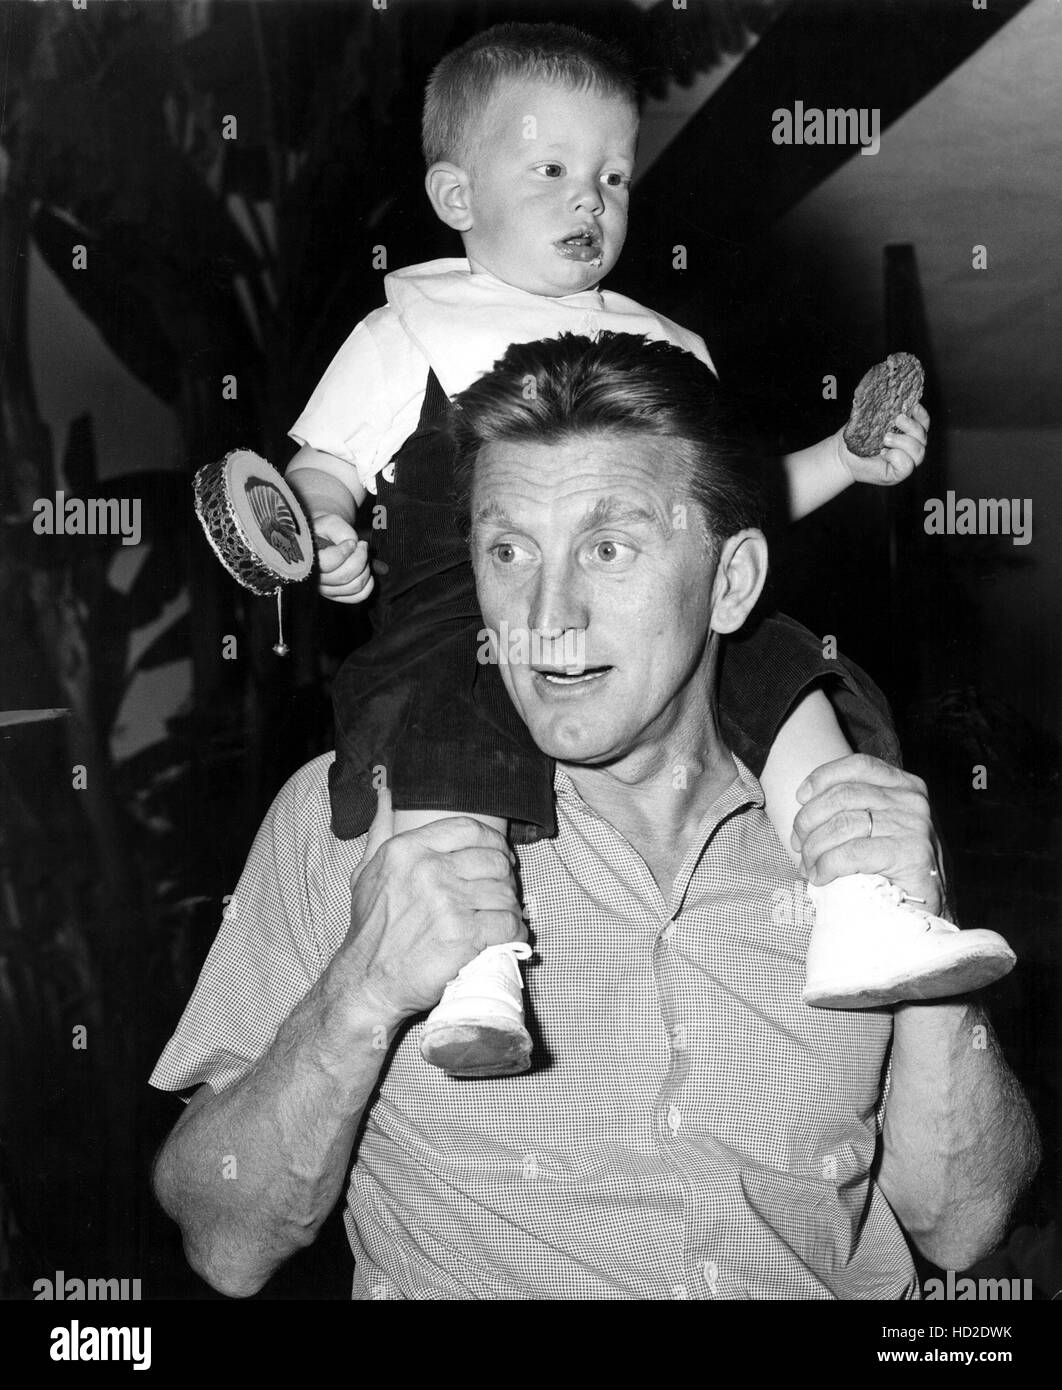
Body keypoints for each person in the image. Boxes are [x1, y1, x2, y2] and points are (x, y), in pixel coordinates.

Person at [152, 332, 1038, 1301]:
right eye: (508, 550)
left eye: (609, 548)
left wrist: (931, 962)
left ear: (732, 582)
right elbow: (222, 1241)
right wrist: (359, 992)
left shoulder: (850, 830)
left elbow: (961, 1225)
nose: (548, 614)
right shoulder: (352, 821)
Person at [281, 22, 961, 1076]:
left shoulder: (665, 347)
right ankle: (474, 971)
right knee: (439, 720)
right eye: (550, 168)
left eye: (613, 175)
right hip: (461, 616)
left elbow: (737, 507)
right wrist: (319, 525)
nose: (590, 198)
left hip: (648, 613)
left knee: (779, 668)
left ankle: (860, 906)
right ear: (458, 197)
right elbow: (322, 467)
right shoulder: (405, 332)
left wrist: (844, 459)